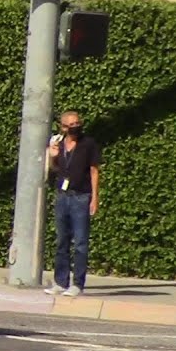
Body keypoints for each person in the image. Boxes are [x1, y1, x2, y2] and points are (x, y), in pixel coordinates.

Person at [45, 110, 102, 297]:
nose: (76, 126)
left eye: (78, 122)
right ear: (63, 127)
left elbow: (94, 171)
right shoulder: (60, 144)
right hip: (63, 195)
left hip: (81, 196)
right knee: (62, 240)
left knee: (80, 243)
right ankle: (61, 282)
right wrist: (52, 155)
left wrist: (95, 197)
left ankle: (78, 283)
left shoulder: (88, 144)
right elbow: (55, 169)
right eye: (71, 124)